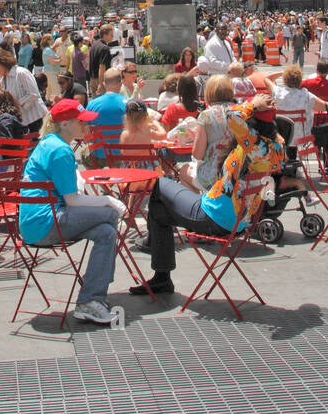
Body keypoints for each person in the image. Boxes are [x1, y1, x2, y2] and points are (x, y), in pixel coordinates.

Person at [130, 94, 286, 297]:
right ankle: (160, 272)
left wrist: (252, 105)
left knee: (159, 184)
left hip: (213, 216)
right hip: (241, 220)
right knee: (160, 211)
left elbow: (232, 117)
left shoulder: (252, 142)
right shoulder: (277, 147)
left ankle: (158, 263)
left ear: (251, 123)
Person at [18, 98, 123, 326]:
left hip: (33, 224)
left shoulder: (48, 143)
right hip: (47, 223)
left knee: (107, 232)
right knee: (111, 215)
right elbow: (73, 201)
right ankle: (93, 295)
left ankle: (91, 299)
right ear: (65, 123)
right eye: (81, 122)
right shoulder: (61, 151)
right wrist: (107, 200)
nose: (87, 127)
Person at [0, 45, 47, 134]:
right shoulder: (3, 80)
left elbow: (33, 94)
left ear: (3, 63)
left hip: (35, 119)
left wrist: (17, 103)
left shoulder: (21, 73)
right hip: (22, 122)